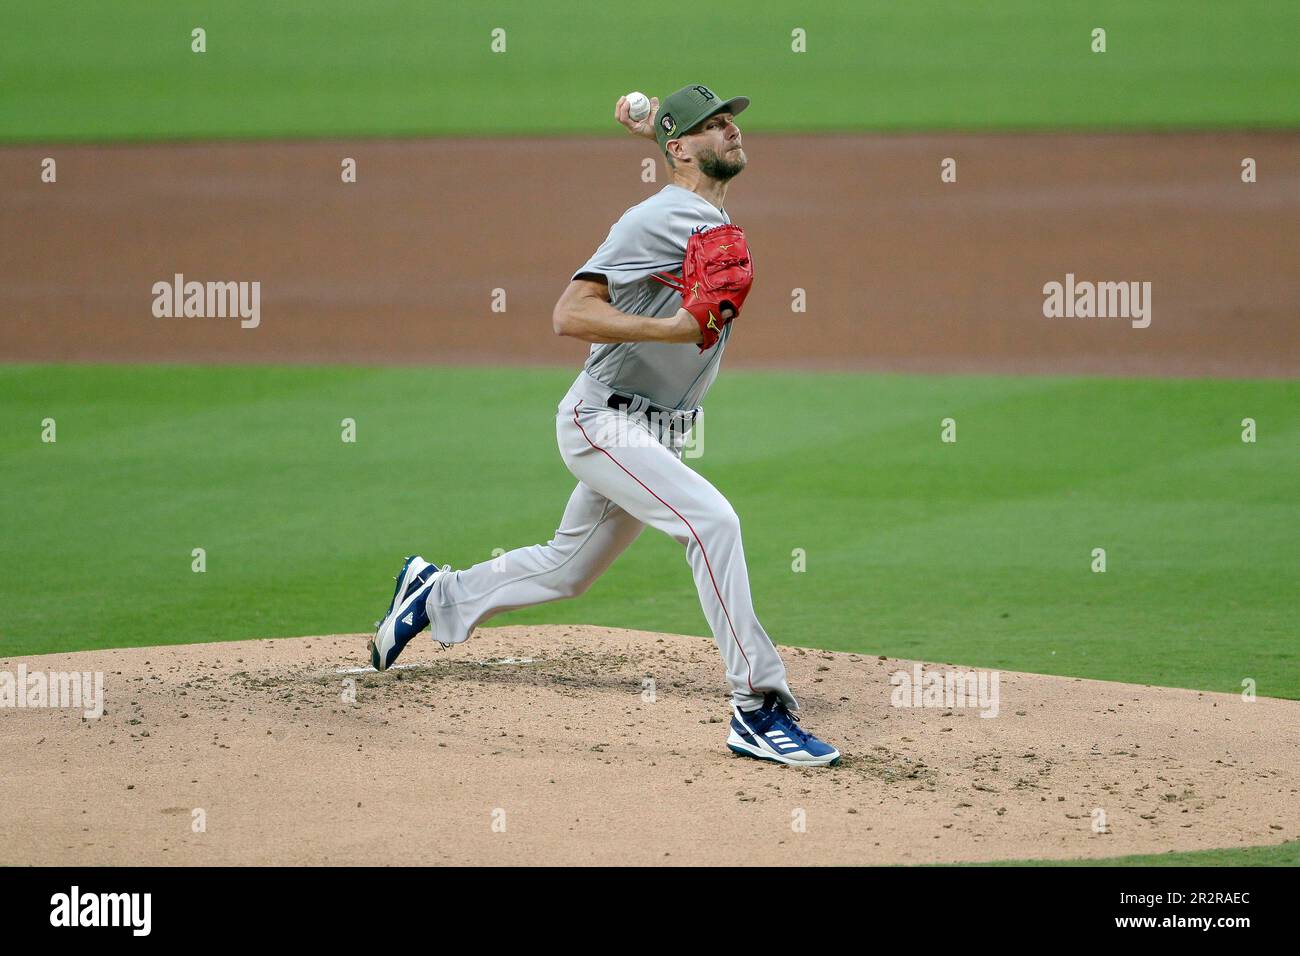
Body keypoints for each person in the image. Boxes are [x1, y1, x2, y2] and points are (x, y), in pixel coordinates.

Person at [368, 84, 840, 766]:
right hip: (602, 421)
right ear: (682, 149)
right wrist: (674, 331)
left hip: (658, 429)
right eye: (713, 127)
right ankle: (756, 707)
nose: (731, 131)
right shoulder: (653, 219)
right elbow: (568, 313)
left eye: (730, 121)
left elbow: (680, 156)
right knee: (713, 523)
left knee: (568, 570)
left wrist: (653, 122)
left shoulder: (700, 208)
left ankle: (437, 592)